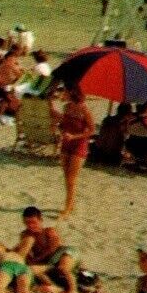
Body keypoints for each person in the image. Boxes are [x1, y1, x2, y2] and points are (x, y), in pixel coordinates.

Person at [49, 86, 95, 218]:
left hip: (79, 144)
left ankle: (67, 208)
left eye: (66, 91)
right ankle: (70, 204)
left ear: (72, 93)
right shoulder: (67, 107)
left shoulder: (84, 109)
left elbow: (91, 130)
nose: (63, 93)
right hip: (66, 143)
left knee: (71, 179)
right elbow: (64, 124)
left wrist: (74, 137)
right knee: (66, 176)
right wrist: (59, 128)